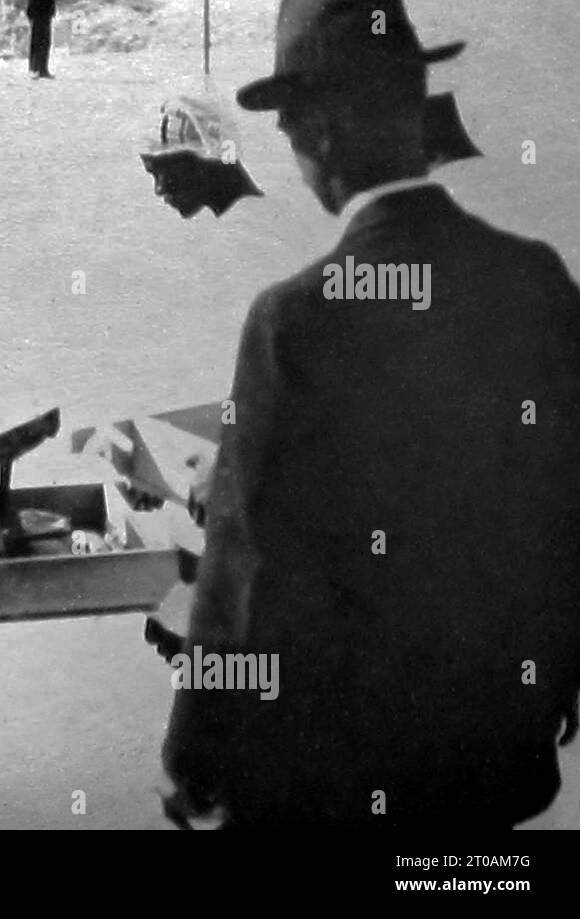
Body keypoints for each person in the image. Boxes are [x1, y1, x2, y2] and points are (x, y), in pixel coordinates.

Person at [161, 0, 580, 828]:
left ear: (321, 132)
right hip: (494, 759)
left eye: (287, 129)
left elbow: (245, 578)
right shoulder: (535, 279)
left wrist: (196, 751)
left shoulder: (294, 318)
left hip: (332, 773)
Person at [26, 0, 55, 80]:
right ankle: (35, 69)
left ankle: (43, 69)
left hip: (46, 10)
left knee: (45, 41)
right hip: (37, 10)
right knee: (37, 40)